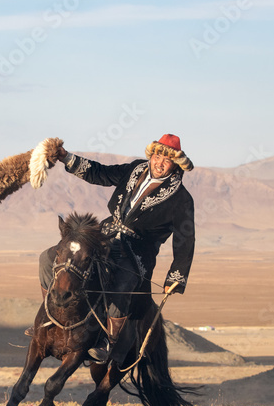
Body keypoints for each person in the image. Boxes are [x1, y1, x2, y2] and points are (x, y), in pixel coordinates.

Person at [37, 133, 196, 365]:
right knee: (48, 257)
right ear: (151, 155)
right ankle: (49, 316)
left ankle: (108, 341)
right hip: (105, 236)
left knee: (122, 283)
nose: (159, 163)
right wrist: (66, 157)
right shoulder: (135, 169)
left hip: (137, 251)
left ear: (175, 164)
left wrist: (176, 276)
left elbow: (185, 239)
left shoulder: (182, 199)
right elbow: (101, 173)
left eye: (167, 160)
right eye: (157, 156)